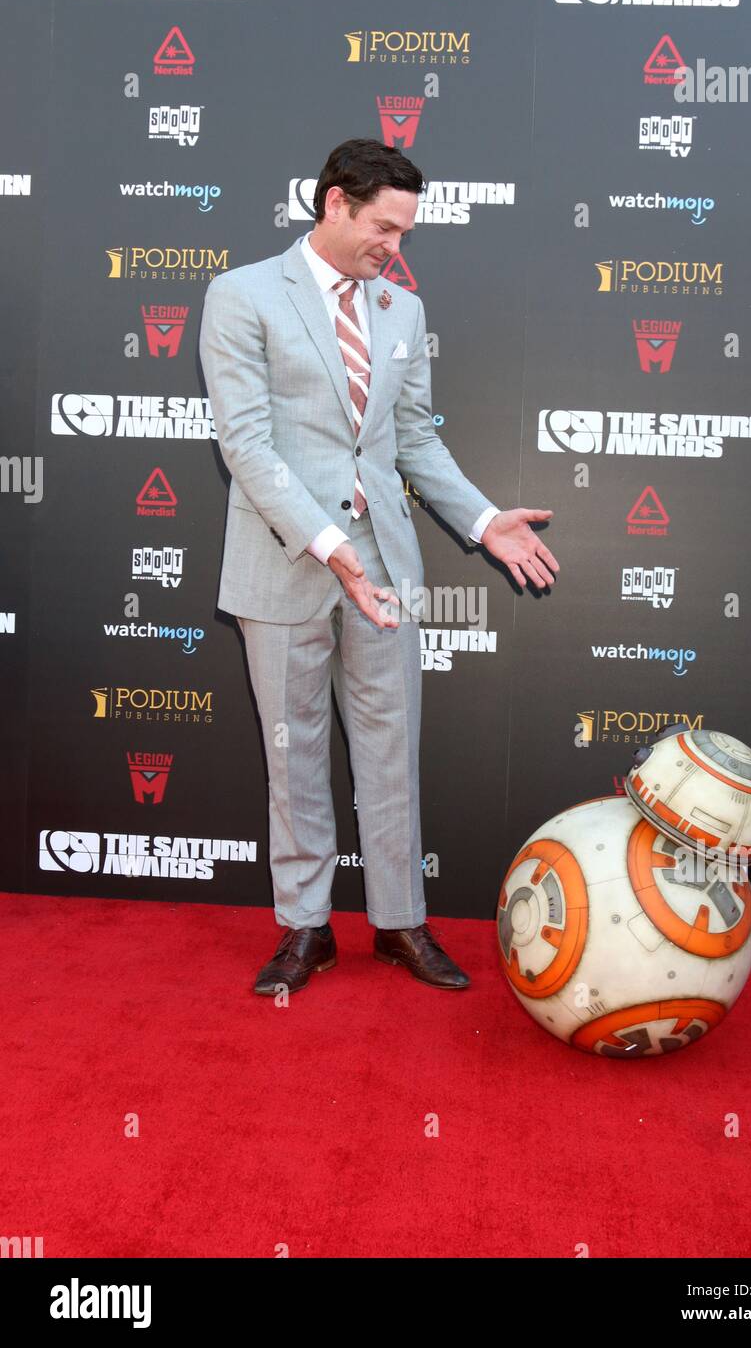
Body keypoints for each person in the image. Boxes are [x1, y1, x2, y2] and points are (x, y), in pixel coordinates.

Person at [199, 138, 558, 998]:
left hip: (387, 567)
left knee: (392, 755)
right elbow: (245, 444)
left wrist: (479, 521)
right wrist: (330, 547)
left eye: (405, 232)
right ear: (334, 203)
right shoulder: (241, 295)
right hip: (286, 561)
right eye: (384, 227)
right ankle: (306, 929)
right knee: (295, 757)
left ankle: (400, 923)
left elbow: (413, 440)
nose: (394, 247)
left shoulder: (401, 311)